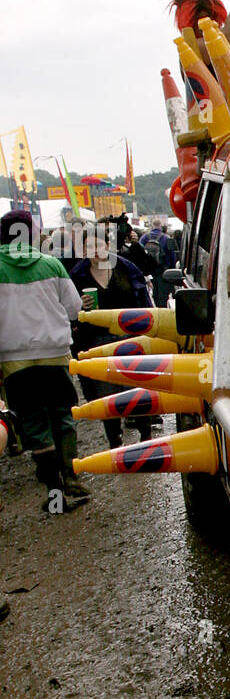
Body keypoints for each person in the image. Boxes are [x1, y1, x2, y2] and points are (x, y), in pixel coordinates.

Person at [0, 209, 89, 510]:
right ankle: (72, 477)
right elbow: (74, 308)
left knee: (35, 426)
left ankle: (55, 496)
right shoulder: (51, 264)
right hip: (55, 355)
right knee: (63, 416)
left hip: (14, 361)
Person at [71, 230, 155, 450]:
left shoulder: (126, 268)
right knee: (105, 393)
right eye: (89, 247)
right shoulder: (77, 275)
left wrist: (149, 331)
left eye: (99, 245)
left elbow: (144, 302)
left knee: (135, 387)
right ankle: (115, 441)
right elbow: (68, 310)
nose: (95, 251)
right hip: (96, 342)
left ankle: (146, 435)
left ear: (108, 245)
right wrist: (79, 306)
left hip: (129, 338)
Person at [138, 218, 179, 307]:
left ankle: (156, 307)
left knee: (154, 292)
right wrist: (172, 268)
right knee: (163, 293)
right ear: (161, 226)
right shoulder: (166, 238)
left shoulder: (145, 237)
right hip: (163, 270)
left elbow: (138, 252)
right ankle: (162, 308)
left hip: (150, 270)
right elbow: (172, 256)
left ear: (152, 226)